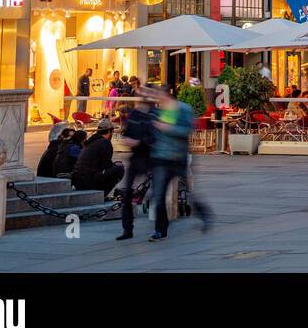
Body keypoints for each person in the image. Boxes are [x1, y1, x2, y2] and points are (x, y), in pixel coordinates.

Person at [150, 89, 211, 240]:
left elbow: (188, 129)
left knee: (189, 192)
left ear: (166, 95)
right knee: (158, 195)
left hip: (178, 157)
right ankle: (160, 229)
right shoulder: (158, 112)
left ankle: (204, 214)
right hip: (160, 158)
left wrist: (168, 128)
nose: (156, 99)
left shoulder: (183, 109)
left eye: (157, 95)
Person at [117, 91, 156, 241]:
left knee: (157, 192)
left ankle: (160, 227)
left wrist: (139, 141)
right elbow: (127, 131)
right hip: (136, 157)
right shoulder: (135, 114)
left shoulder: (155, 115)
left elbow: (155, 136)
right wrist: (127, 138)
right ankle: (127, 229)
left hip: (151, 157)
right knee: (127, 192)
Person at [71, 119, 124, 199]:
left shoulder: (91, 141)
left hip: (77, 181)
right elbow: (107, 165)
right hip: (87, 182)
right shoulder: (105, 142)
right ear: (110, 131)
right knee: (119, 168)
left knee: (114, 167)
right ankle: (101, 195)